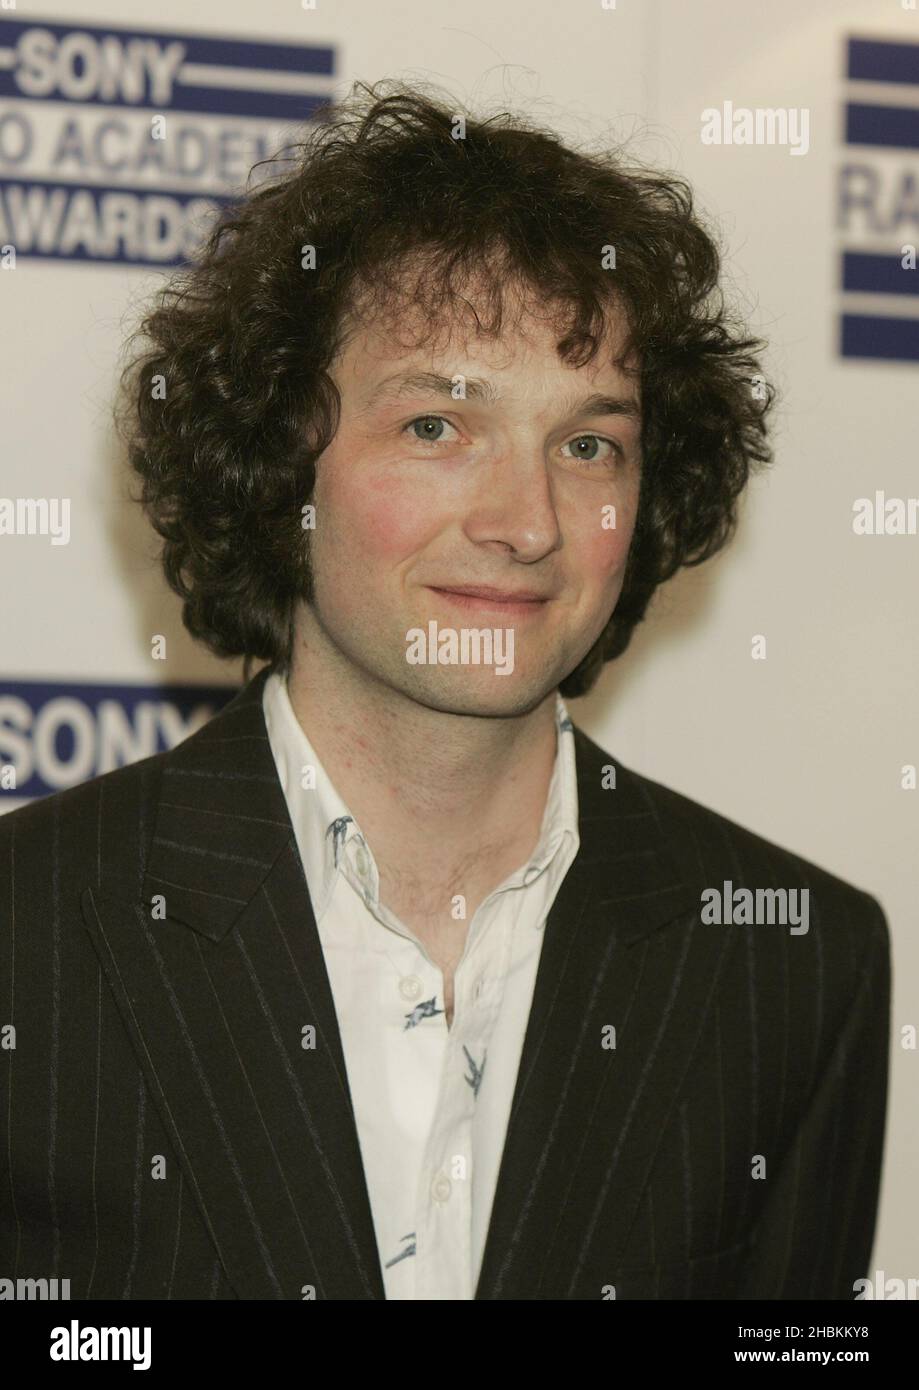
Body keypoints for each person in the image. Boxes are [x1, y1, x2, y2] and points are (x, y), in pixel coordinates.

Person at [0, 81, 890, 1301]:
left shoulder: (791, 964)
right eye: (436, 426)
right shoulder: (28, 935)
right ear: (277, 462)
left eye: (588, 445)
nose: (527, 523)